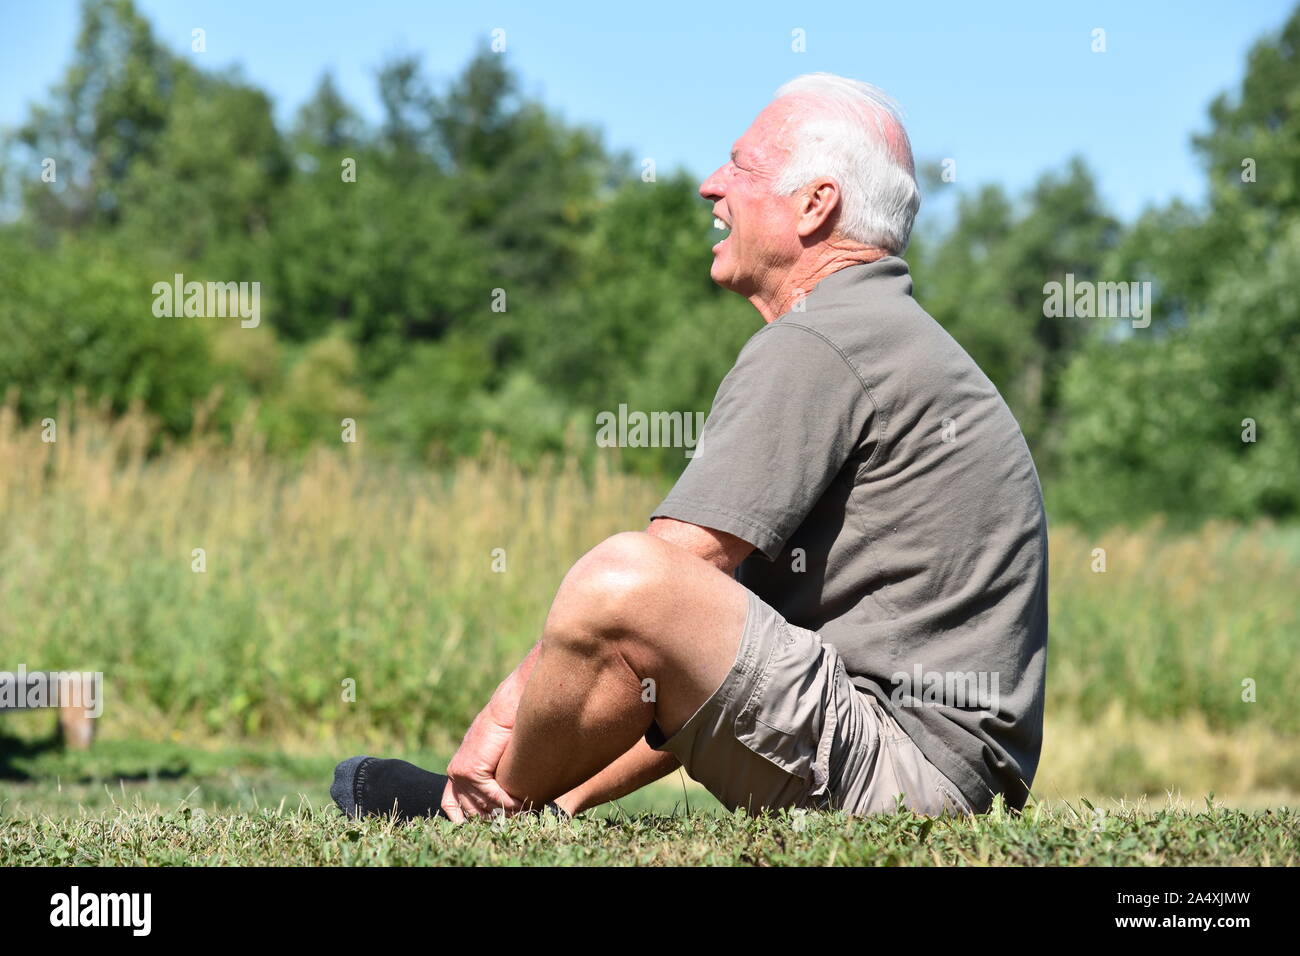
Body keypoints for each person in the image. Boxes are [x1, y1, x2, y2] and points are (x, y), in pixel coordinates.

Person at [332, 72, 1048, 824]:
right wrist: (560, 797)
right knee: (666, 595)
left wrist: (488, 749)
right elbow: (699, 662)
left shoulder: (822, 340)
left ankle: (468, 815)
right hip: (936, 778)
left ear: (816, 204)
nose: (713, 186)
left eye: (742, 166)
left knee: (625, 574)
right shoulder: (881, 333)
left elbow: (654, 587)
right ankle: (512, 809)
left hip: (903, 779)